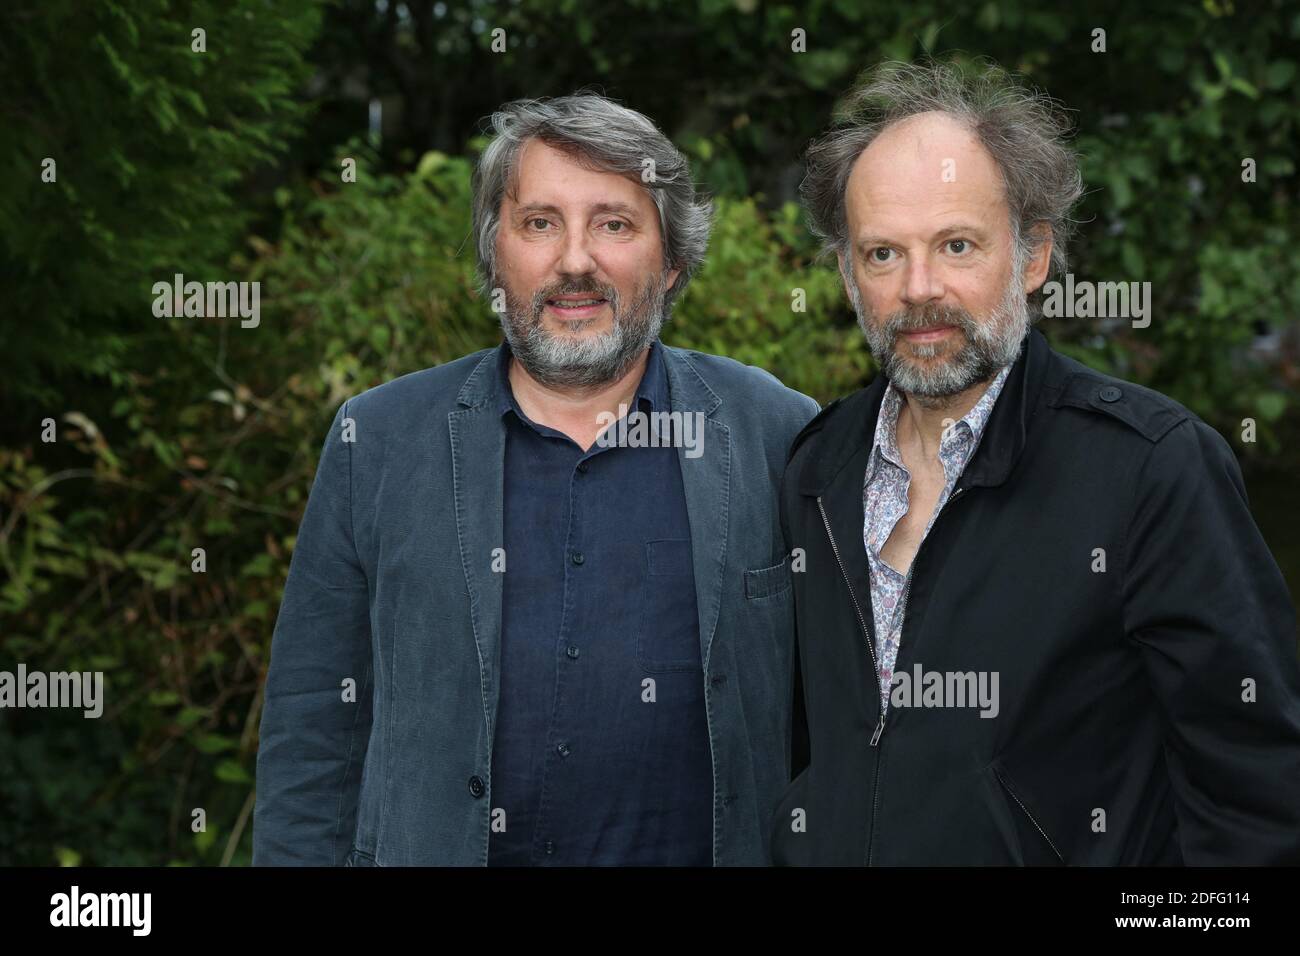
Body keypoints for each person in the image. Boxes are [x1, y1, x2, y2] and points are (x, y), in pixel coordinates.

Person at [253, 92, 818, 866]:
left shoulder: (776, 431)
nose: (575, 260)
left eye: (613, 223)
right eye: (540, 222)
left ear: (674, 260)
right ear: (496, 255)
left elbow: (836, 718)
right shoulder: (376, 439)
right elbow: (313, 725)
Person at [771, 60, 1300, 865]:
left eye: (956, 244)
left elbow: (1260, 792)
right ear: (847, 276)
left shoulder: (1151, 470)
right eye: (882, 254)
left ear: (1033, 256)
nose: (919, 289)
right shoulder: (817, 468)